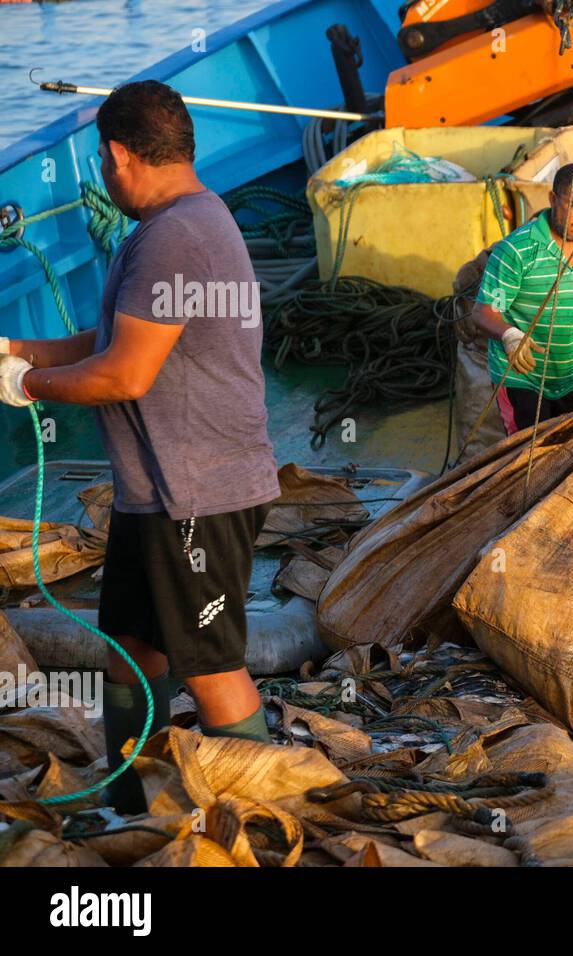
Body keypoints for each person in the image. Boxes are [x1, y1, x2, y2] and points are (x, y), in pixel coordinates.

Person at [0, 80, 280, 813]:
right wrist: (16, 347)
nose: (102, 172)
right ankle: (129, 801)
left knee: (211, 667)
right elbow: (112, 341)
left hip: (196, 495)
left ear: (119, 155)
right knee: (130, 650)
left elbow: (124, 374)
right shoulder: (186, 220)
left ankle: (266, 815)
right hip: (152, 494)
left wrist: (27, 387)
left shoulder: (173, 239)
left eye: (102, 161)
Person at [470, 162, 573, 433]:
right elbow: (485, 311)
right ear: (553, 199)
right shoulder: (517, 251)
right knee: (531, 459)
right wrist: (510, 335)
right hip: (523, 379)